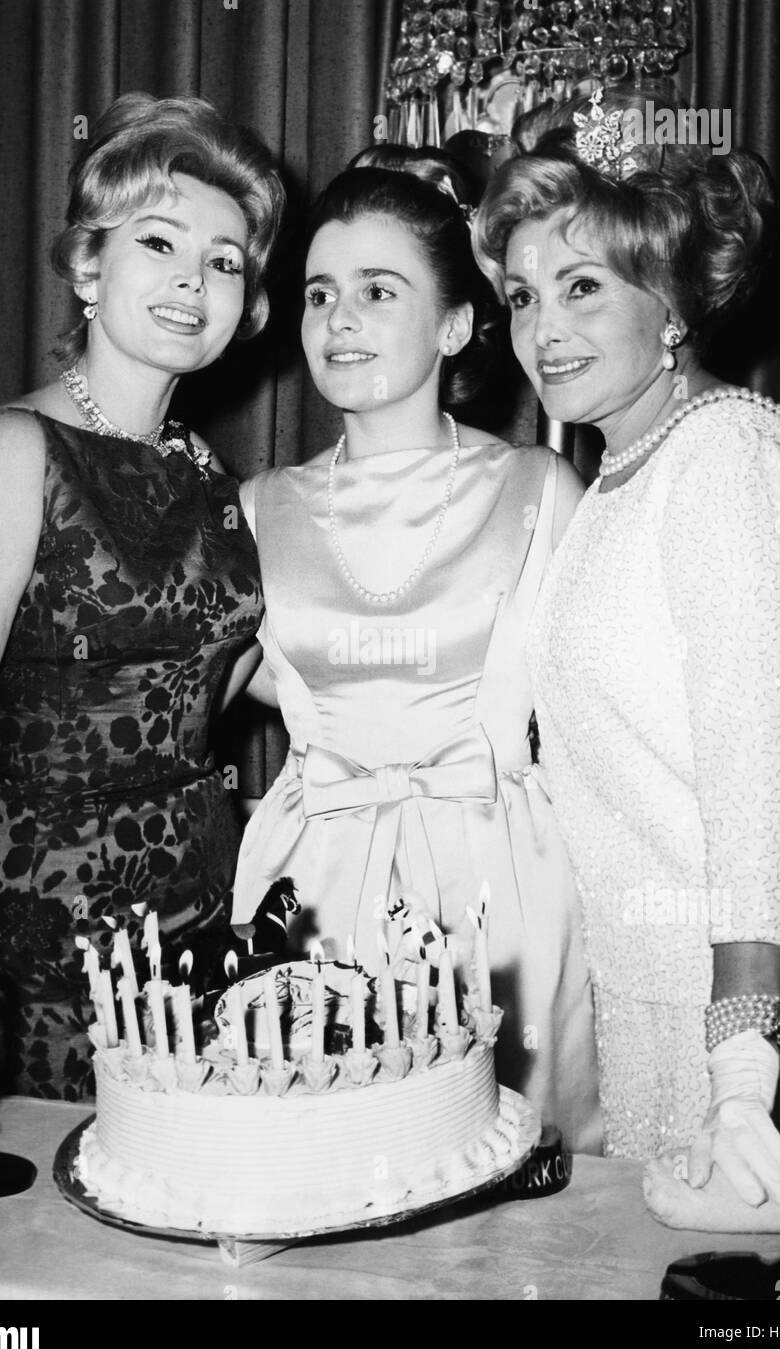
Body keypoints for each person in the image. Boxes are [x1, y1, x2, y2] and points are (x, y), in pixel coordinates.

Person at [474, 86, 780, 1229]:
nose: (541, 327)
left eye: (583, 285)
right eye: (520, 295)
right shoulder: (625, 473)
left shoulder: (731, 465)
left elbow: (770, 781)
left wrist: (746, 1068)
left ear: (673, 303)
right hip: (671, 1001)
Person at [0, 93, 284, 1100]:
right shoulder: (8, 454)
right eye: (160, 242)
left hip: (199, 923)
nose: (194, 279)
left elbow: (238, 683)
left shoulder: (208, 480)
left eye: (226, 260)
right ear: (87, 267)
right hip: (42, 939)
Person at [232, 146, 602, 1152]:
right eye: (317, 294)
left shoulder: (542, 490)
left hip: (506, 890)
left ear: (452, 324)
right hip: (313, 893)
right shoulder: (255, 510)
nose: (335, 318)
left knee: (514, 1203)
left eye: (374, 291)